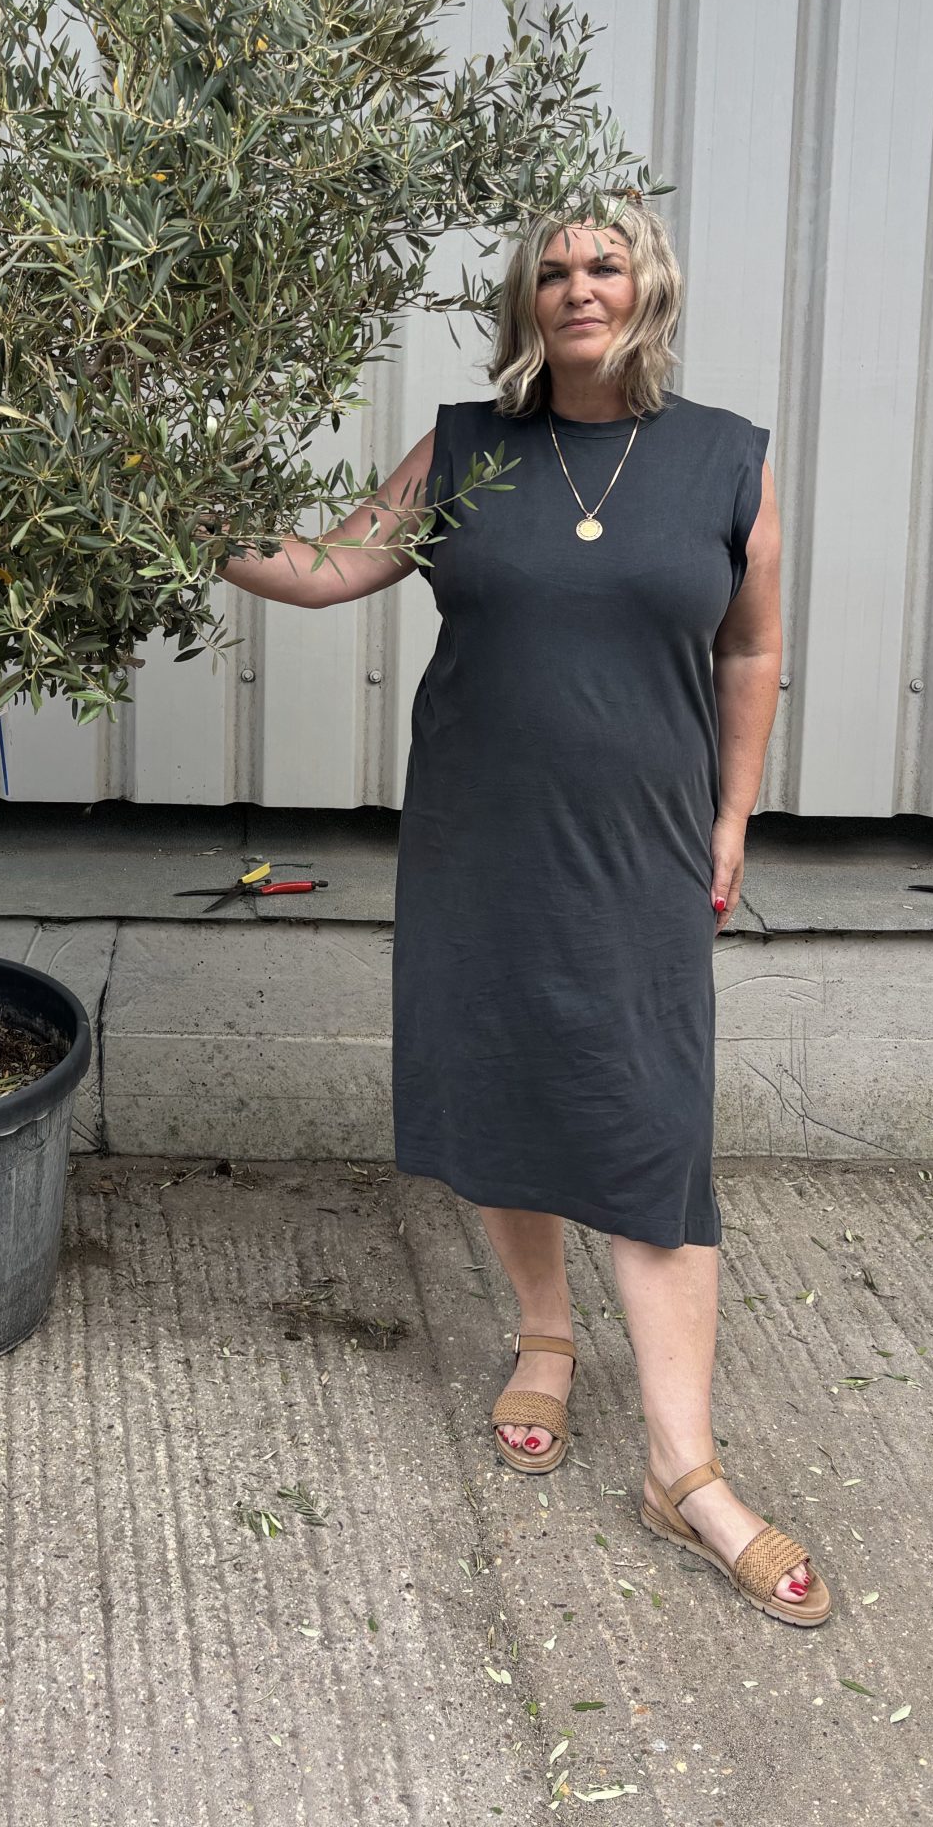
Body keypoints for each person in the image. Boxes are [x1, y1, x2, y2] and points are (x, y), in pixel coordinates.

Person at [219, 205, 829, 1627]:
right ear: (524, 299)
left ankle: (684, 1469)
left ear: (649, 286)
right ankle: (544, 1334)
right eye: (552, 270)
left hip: (645, 847)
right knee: (501, 1082)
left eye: (603, 264)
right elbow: (326, 569)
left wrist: (735, 818)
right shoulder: (466, 449)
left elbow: (753, 643)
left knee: (652, 1122)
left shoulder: (725, 456)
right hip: (480, 838)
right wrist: (166, 503)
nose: (577, 287)